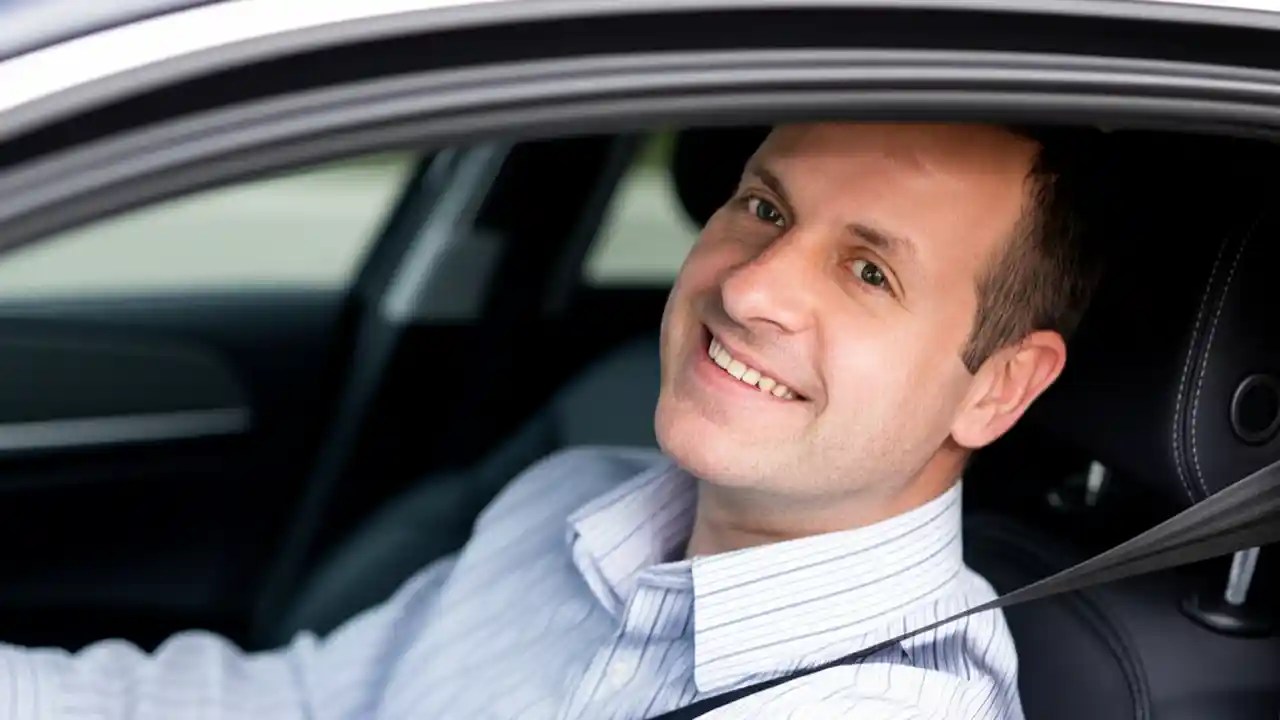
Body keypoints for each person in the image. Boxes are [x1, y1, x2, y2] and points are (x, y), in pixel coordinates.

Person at [1, 122, 1101, 719]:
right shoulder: (566, 503)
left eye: (867, 272)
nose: (750, 285)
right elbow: (301, 701)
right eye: (764, 206)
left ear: (997, 387)